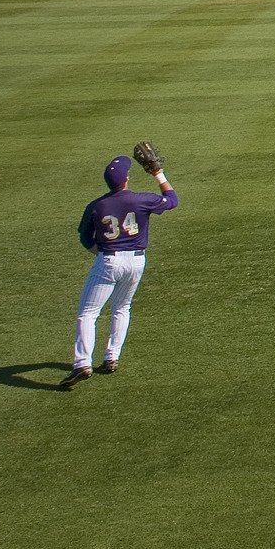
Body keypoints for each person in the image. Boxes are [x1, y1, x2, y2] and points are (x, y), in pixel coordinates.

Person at [66, 150, 179, 388]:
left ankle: (82, 363)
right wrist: (158, 174)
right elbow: (172, 200)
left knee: (88, 314)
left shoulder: (96, 206)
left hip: (109, 261)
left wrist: (103, 254)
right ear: (126, 179)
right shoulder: (141, 199)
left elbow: (85, 239)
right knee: (122, 307)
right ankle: (111, 358)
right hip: (137, 261)